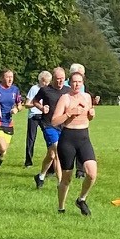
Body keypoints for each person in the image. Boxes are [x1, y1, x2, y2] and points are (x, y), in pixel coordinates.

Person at [51, 64, 98, 215]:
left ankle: (81, 199)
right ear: (69, 83)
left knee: (92, 173)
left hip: (84, 137)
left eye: (79, 82)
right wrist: (69, 113)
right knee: (67, 177)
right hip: (68, 139)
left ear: (83, 83)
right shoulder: (65, 98)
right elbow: (54, 121)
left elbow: (89, 117)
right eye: (74, 82)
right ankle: (61, 207)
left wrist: (91, 114)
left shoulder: (87, 97)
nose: (76, 84)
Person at [32, 65, 67, 190]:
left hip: (63, 126)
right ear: (53, 79)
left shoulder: (67, 91)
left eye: (62, 78)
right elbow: (34, 101)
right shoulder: (45, 90)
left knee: (51, 155)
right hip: (48, 125)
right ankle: (60, 182)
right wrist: (42, 108)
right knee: (57, 151)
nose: (60, 81)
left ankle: (40, 176)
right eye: (57, 79)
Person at [23, 70, 52, 169]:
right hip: (34, 116)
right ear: (40, 80)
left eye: (48, 82)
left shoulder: (49, 90)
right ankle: (28, 162)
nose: (46, 84)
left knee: (49, 138)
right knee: (31, 139)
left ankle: (51, 161)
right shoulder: (34, 89)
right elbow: (26, 104)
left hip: (44, 116)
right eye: (44, 81)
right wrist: (37, 105)